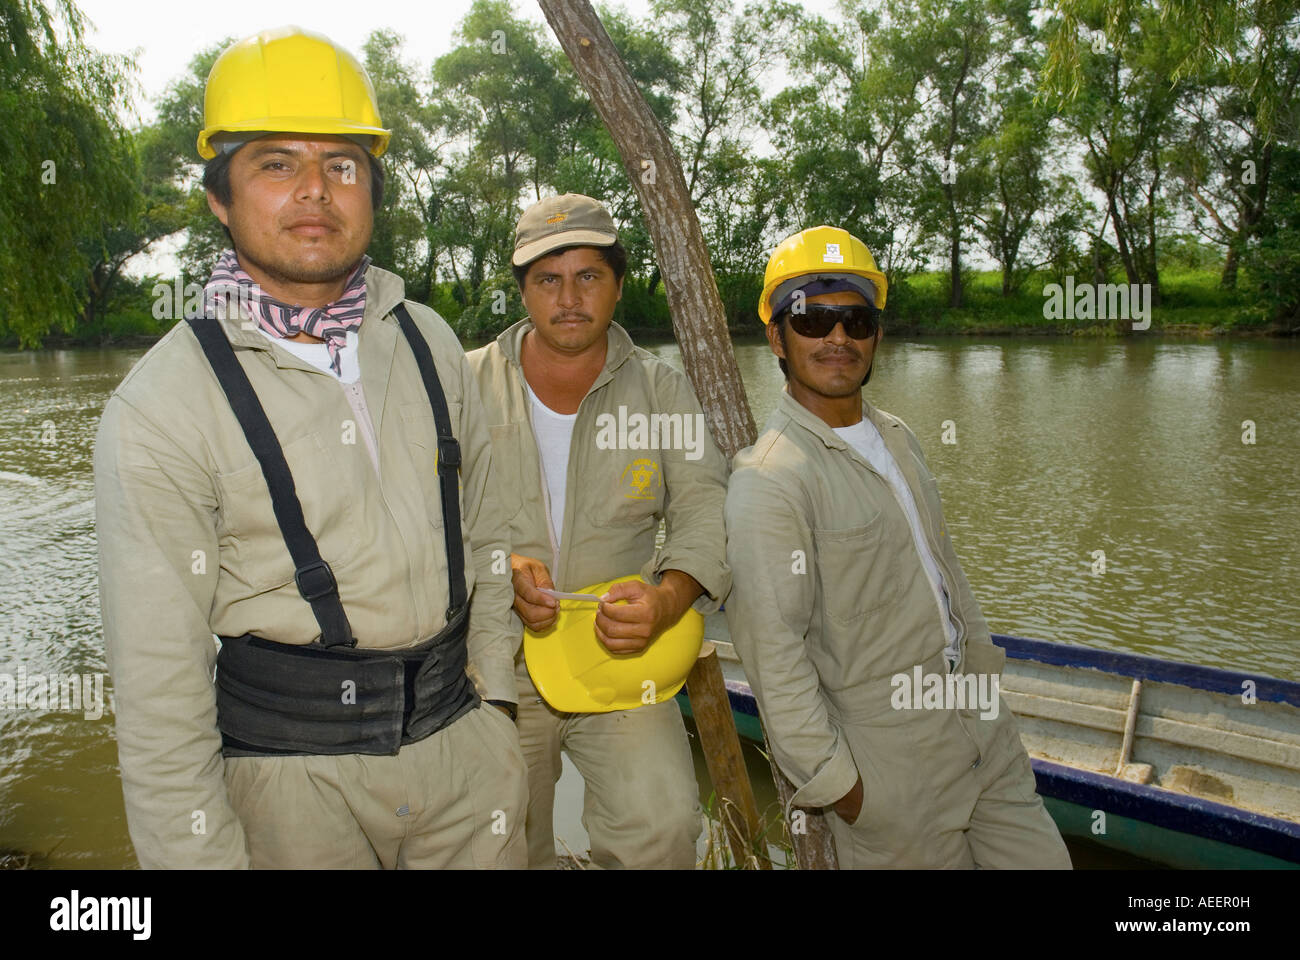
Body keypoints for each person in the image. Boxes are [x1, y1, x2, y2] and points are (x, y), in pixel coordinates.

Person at [94, 26, 526, 869]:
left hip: (466, 760)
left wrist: (497, 705)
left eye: (341, 164)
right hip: (290, 788)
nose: (315, 192)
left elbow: (491, 529)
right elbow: (159, 692)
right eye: (277, 164)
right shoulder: (160, 407)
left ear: (372, 187)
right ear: (220, 197)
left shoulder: (429, 339)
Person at [723, 225, 1071, 868]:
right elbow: (774, 657)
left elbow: (948, 578)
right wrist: (849, 791)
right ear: (776, 336)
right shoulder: (771, 481)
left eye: (855, 320)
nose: (836, 338)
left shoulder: (899, 438)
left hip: (983, 737)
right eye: (811, 318)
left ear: (876, 334)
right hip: (892, 775)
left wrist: (987, 688)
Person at [466, 194, 731, 868]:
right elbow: (421, 520)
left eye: (589, 276)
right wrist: (499, 571)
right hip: (494, 661)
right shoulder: (462, 384)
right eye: (547, 280)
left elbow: (704, 507)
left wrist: (667, 601)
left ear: (618, 281)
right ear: (522, 289)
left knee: (664, 825)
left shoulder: (661, 391)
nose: (569, 298)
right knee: (495, 842)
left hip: (620, 652)